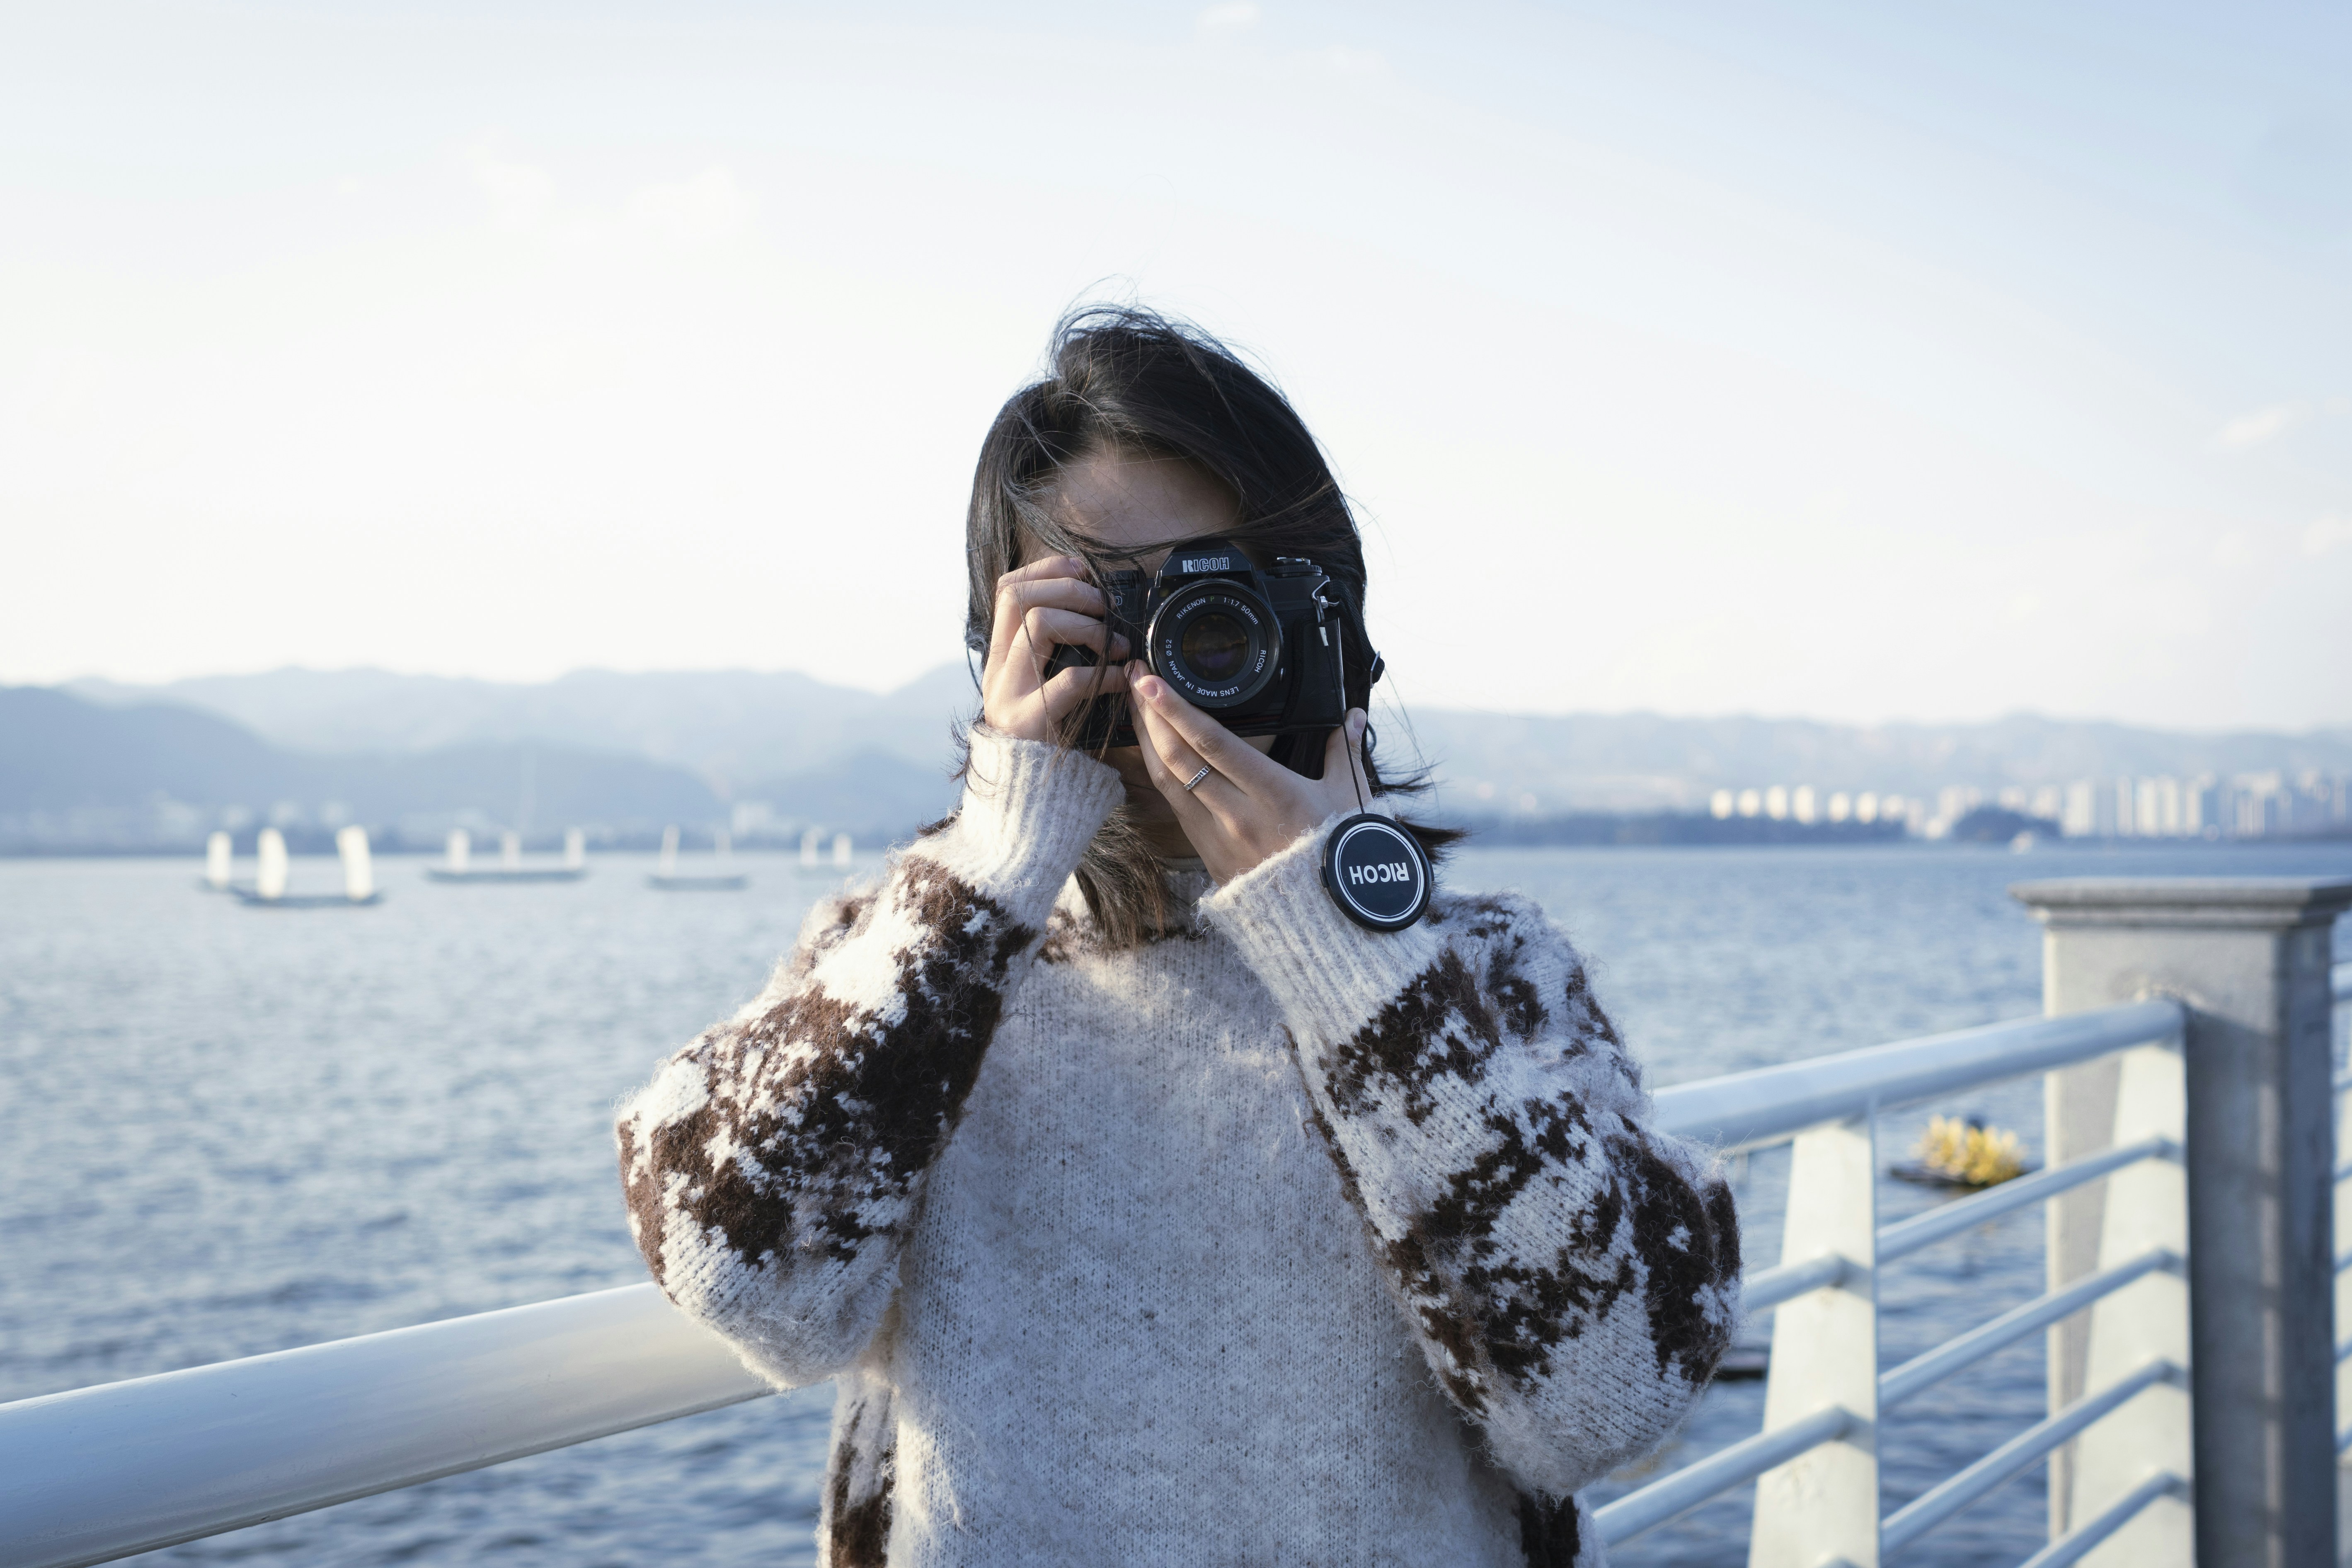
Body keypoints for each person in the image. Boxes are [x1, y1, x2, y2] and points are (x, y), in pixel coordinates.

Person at [615, 307, 1741, 1568]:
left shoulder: (1481, 980)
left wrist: (1351, 952)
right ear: (1004, 642)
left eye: (1227, 596)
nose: (1179, 658)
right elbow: (750, 1288)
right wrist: (993, 858)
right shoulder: (910, 970)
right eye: (1116, 607)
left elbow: (1611, 1398)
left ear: (1331, 620)